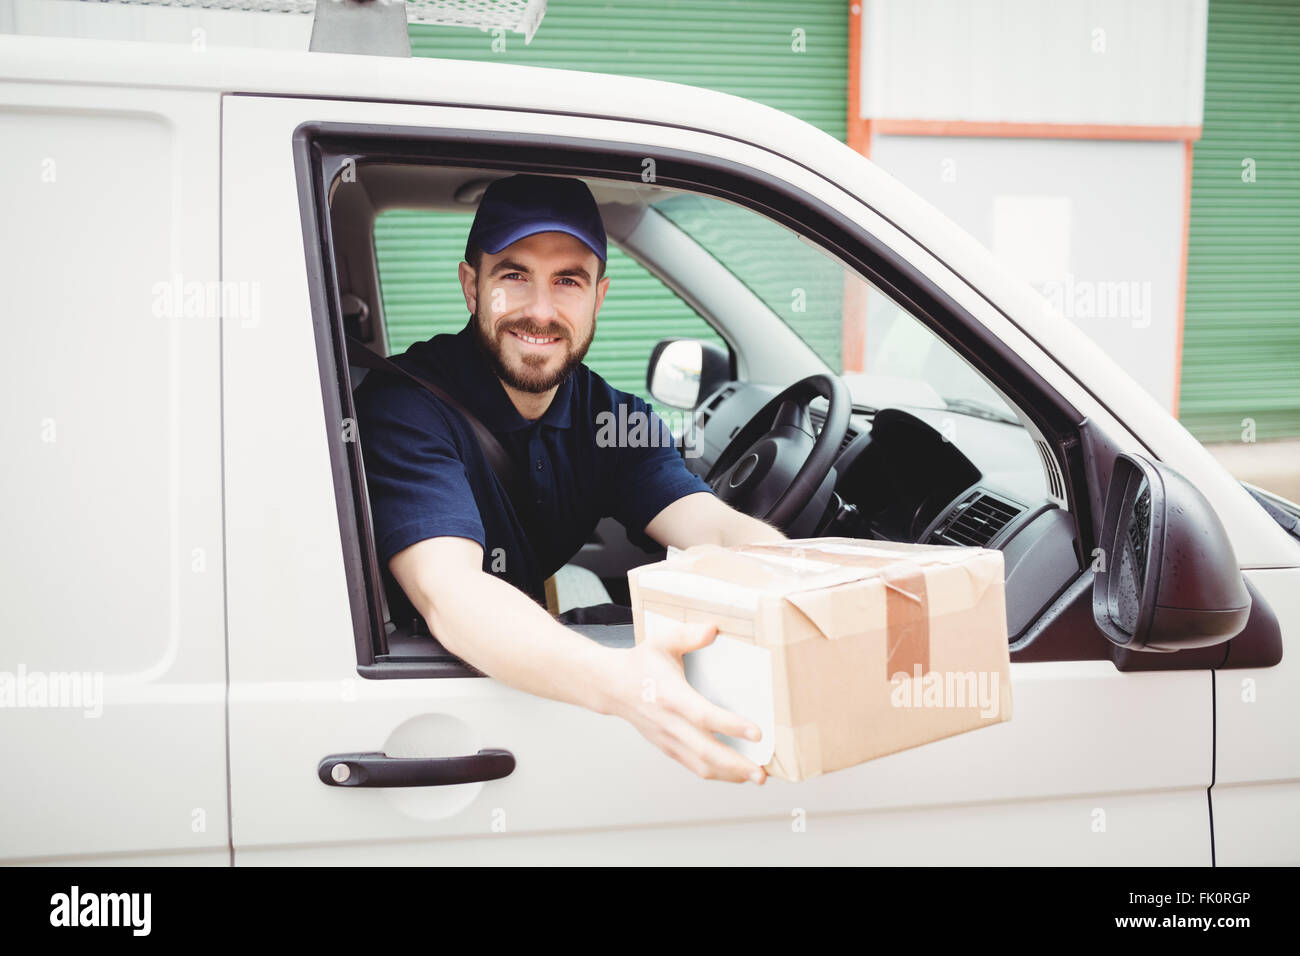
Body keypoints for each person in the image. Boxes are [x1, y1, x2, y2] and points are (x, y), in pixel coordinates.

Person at [354, 174, 785, 784]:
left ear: (598, 297)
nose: (541, 310)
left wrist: (797, 574)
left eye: (568, 281)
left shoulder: (611, 417)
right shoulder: (406, 409)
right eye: (513, 275)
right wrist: (627, 685)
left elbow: (708, 522)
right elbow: (450, 593)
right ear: (471, 287)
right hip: (426, 708)